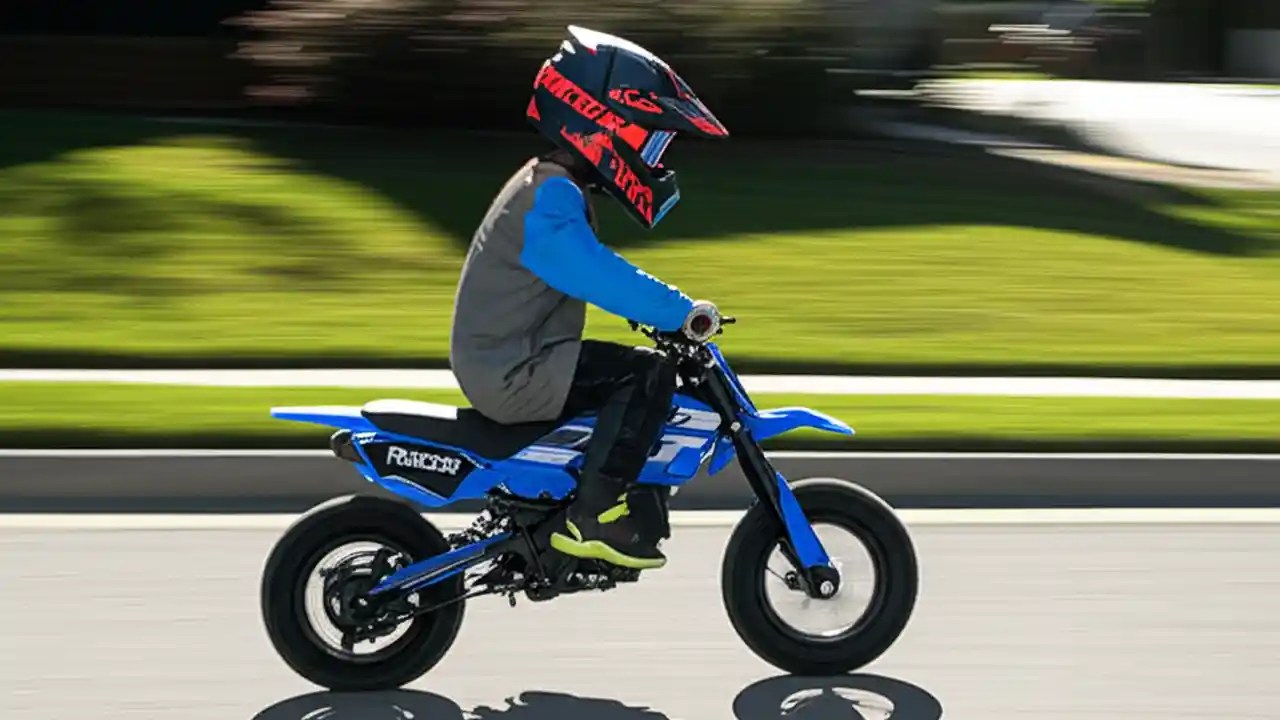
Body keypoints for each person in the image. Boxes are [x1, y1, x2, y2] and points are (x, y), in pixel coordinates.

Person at [449, 25, 731, 571]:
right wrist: (681, 312)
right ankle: (595, 516)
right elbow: (595, 274)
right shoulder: (549, 195)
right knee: (645, 377)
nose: (653, 157)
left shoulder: (549, 184)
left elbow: (582, 275)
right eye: (648, 139)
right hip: (511, 371)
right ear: (604, 123)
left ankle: (572, 506)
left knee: (628, 374)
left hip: (511, 360)